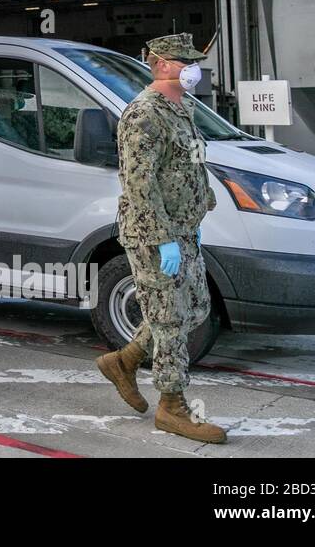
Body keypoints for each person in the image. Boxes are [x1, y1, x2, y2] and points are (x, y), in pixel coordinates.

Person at [95, 33, 226, 443]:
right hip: (154, 234)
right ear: (161, 64)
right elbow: (140, 184)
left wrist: (200, 208)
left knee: (196, 308)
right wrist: (163, 237)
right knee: (169, 319)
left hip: (183, 228)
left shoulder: (181, 107)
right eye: (185, 61)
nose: (193, 69)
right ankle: (172, 406)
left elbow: (191, 165)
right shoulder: (144, 114)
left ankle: (125, 360)